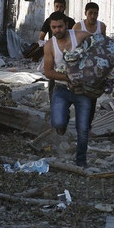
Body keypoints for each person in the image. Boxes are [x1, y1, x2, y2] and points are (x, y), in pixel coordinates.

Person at [43, 11, 92, 168]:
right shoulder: (50, 45)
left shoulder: (80, 36)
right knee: (57, 123)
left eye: (60, 26)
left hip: (82, 91)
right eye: (54, 27)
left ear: (66, 25)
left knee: (83, 129)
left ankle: (81, 162)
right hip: (62, 89)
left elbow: (100, 44)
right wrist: (69, 77)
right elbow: (48, 72)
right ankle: (63, 121)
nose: (57, 30)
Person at [72, 2, 106, 128]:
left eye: (95, 13)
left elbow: (104, 45)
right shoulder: (78, 26)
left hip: (96, 68)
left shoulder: (101, 26)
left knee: (93, 96)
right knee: (79, 95)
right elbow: (72, 46)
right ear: (85, 13)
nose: (93, 16)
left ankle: (88, 126)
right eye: (90, 13)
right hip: (80, 66)